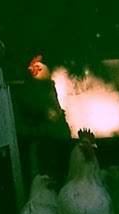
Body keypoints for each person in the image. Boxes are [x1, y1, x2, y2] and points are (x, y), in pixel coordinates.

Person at [10, 55, 72, 184]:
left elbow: (53, 112)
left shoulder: (46, 86)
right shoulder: (29, 89)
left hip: (50, 133)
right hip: (37, 133)